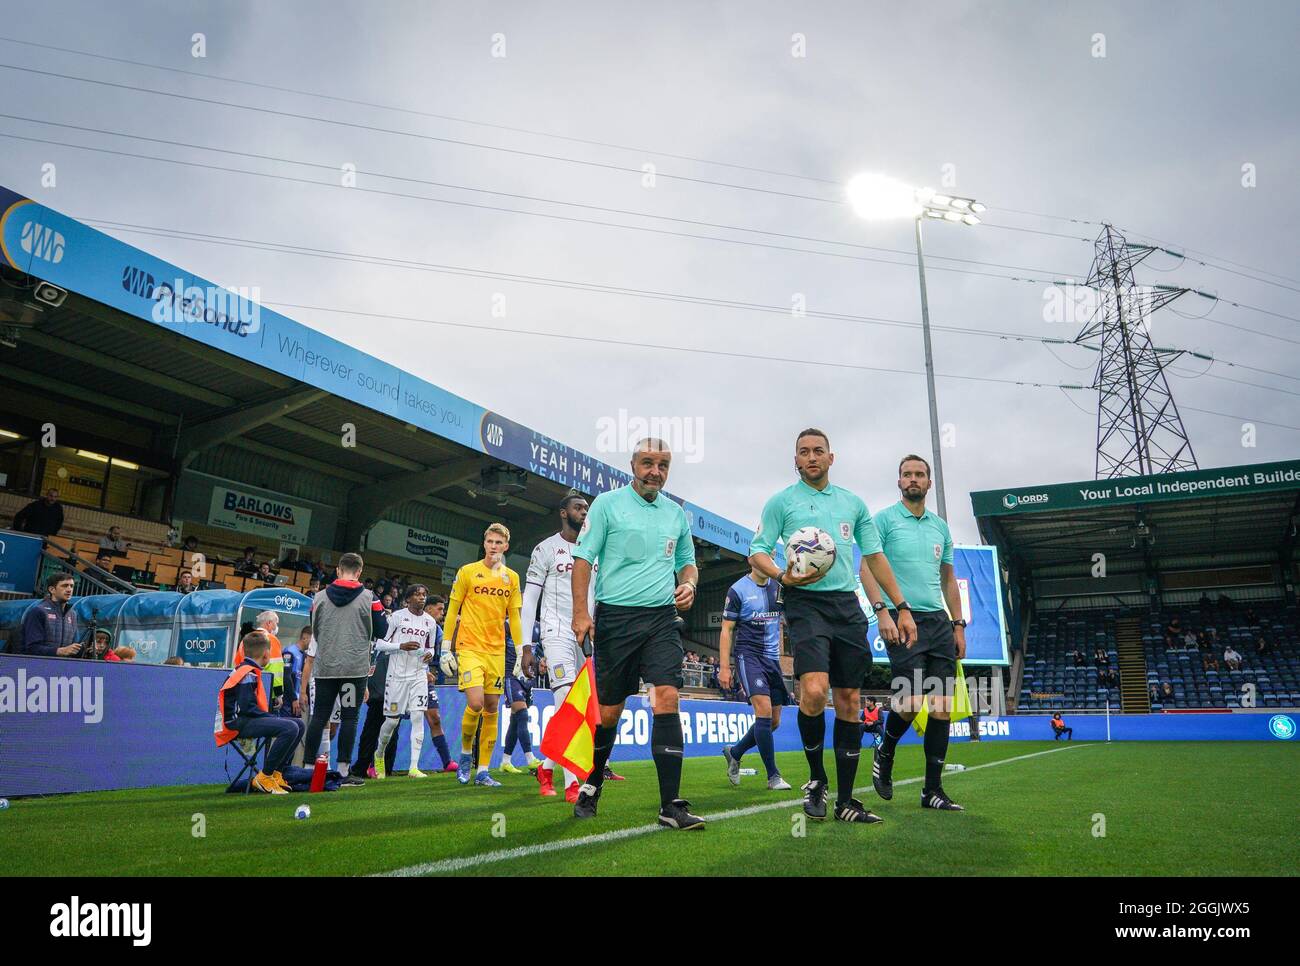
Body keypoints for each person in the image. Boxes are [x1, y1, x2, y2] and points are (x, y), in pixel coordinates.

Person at [749, 430, 915, 825]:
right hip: (805, 603)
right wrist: (782, 576)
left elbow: (874, 557)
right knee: (813, 690)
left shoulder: (852, 504)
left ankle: (845, 801)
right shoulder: (781, 502)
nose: (811, 457)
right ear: (796, 459)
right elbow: (756, 549)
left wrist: (901, 607)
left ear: (831, 457)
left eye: (818, 451)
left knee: (849, 700)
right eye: (803, 452)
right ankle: (816, 780)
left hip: (845, 605)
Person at [570, 438, 702, 830]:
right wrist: (581, 613)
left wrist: (690, 585)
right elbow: (583, 559)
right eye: (648, 463)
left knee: (667, 696)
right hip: (616, 619)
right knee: (609, 713)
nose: (655, 472)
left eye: (662, 465)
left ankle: (670, 805)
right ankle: (593, 781)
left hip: (662, 619)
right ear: (632, 464)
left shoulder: (676, 515)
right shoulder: (607, 504)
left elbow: (688, 563)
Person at [865, 455, 966, 812]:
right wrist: (881, 612)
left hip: (938, 622)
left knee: (941, 706)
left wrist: (958, 623)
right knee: (910, 701)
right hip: (902, 618)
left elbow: (948, 579)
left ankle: (932, 791)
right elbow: (867, 567)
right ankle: (886, 749)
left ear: (928, 482)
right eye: (907, 474)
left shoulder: (941, 527)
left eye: (919, 474)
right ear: (898, 482)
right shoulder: (884, 520)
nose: (913, 479)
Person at [522, 492, 601, 800]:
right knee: (566, 699)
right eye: (578, 508)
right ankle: (572, 783)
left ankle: (546, 766)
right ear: (563, 513)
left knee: (580, 708)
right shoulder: (546, 549)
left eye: (586, 509)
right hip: (555, 632)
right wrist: (526, 646)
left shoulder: (595, 552)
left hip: (586, 635)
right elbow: (529, 599)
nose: (584, 513)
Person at [440, 524, 523, 788]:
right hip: (469, 647)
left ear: (505, 546)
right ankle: (465, 757)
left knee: (491, 708)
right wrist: (445, 647)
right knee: (475, 703)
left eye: (499, 542)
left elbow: (516, 617)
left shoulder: (511, 578)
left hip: (497, 651)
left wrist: (520, 650)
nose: (494, 546)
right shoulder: (467, 572)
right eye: (490, 541)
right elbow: (453, 610)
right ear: (484, 543)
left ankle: (483, 770)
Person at [302, 552, 387, 786]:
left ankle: (309, 770)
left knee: (319, 717)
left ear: (338, 570)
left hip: (326, 666)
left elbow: (314, 629)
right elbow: (381, 631)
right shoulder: (371, 598)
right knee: (349, 718)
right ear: (359, 572)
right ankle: (342, 772)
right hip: (354, 668)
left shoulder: (318, 597)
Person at [718, 562, 792, 791]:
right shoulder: (738, 589)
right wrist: (724, 667)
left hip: (772, 660)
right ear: (752, 559)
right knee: (764, 712)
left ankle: (735, 752)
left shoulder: (779, 588)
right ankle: (773, 776)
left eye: (770, 556)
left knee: (774, 722)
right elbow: (726, 629)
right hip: (748, 656)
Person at [215, 630, 304, 794]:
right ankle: (265, 776)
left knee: (299, 724)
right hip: (237, 724)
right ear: (266, 654)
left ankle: (277, 773)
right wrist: (269, 717)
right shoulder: (246, 673)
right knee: (290, 727)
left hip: (243, 719)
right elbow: (247, 708)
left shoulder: (247, 670)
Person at [373, 584, 440, 779]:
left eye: (424, 594)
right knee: (392, 722)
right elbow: (380, 644)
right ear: (408, 598)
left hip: (418, 674)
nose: (421, 597)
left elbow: (431, 648)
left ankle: (413, 767)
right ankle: (379, 754)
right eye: (417, 594)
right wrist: (401, 646)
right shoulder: (397, 617)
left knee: (418, 716)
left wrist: (429, 654)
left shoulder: (430, 622)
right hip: (397, 675)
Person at [499, 625, 544, 776]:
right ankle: (530, 758)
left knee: (515, 721)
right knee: (523, 715)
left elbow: (538, 652)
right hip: (511, 676)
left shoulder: (537, 626)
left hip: (528, 678)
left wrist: (541, 663)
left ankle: (505, 762)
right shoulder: (507, 624)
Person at [421, 595, 457, 773]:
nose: (442, 613)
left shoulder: (436, 629)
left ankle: (447, 762)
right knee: (393, 721)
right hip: (403, 678)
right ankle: (376, 762)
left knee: (434, 718)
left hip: (424, 678)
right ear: (428, 609)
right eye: (439, 609)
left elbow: (445, 646)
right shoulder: (410, 622)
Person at [19, 572, 83, 657]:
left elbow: (74, 645)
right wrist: (59, 651)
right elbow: (31, 648)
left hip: (62, 667)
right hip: (38, 667)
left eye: (71, 586)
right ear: (52, 589)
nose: (69, 589)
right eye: (64, 585)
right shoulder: (38, 611)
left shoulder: (73, 614)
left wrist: (84, 649)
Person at [233, 612, 286, 712]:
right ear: (269, 623)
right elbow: (276, 670)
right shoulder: (271, 640)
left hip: (246, 690)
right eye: (276, 623)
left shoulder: (246, 640)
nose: (276, 626)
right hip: (266, 692)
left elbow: (237, 664)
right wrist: (279, 694)